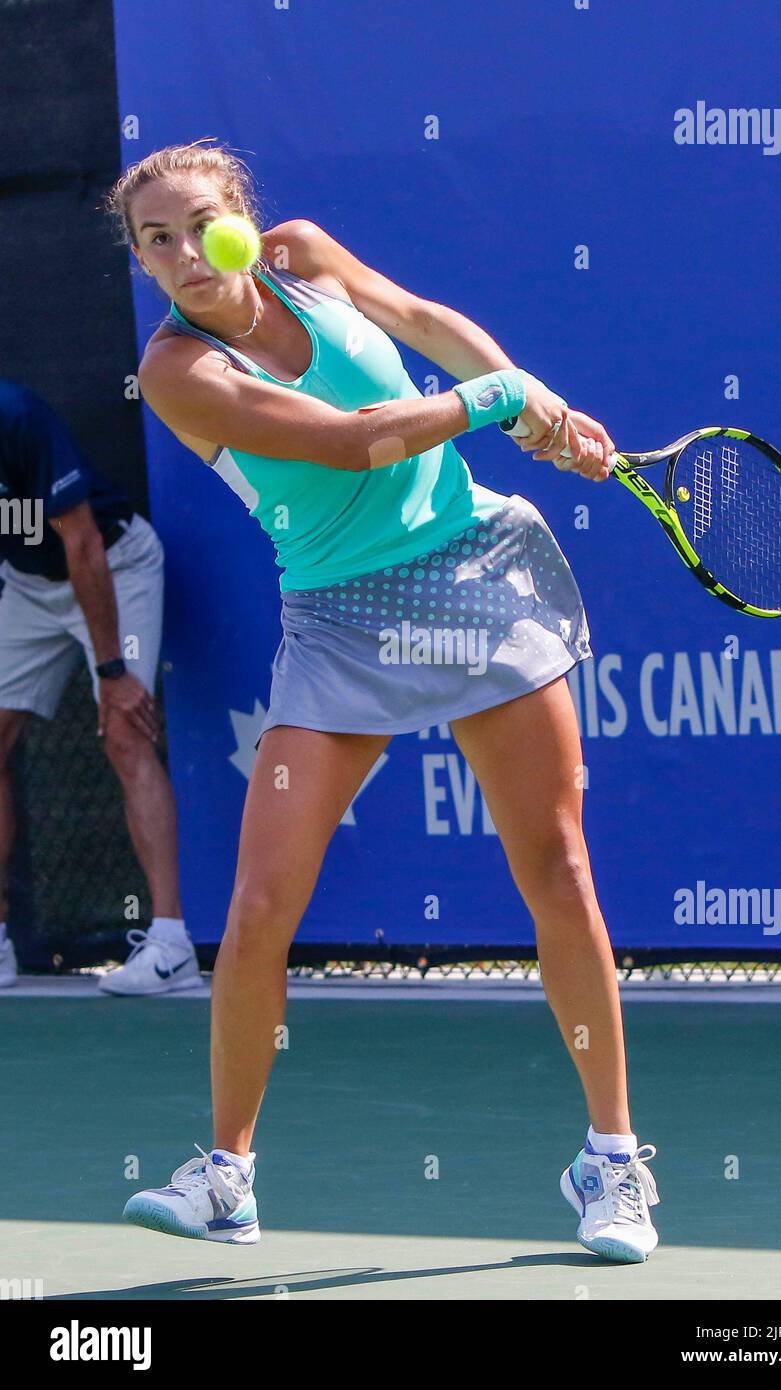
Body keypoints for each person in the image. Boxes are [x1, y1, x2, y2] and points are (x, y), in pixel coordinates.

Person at [109, 138, 659, 1261]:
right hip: (337, 624)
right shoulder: (175, 370)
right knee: (259, 905)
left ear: (241, 219)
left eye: (198, 223)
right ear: (143, 262)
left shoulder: (303, 254)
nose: (180, 253)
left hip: (475, 577)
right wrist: (496, 398)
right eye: (152, 241)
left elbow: (420, 318)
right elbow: (359, 445)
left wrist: (535, 404)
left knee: (555, 868)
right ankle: (228, 1177)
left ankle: (611, 1163)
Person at [0, 378, 199, 994]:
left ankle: (171, 944)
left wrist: (114, 673)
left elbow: (81, 541)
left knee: (124, 733)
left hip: (114, 565)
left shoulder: (16, 414)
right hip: (29, 586)